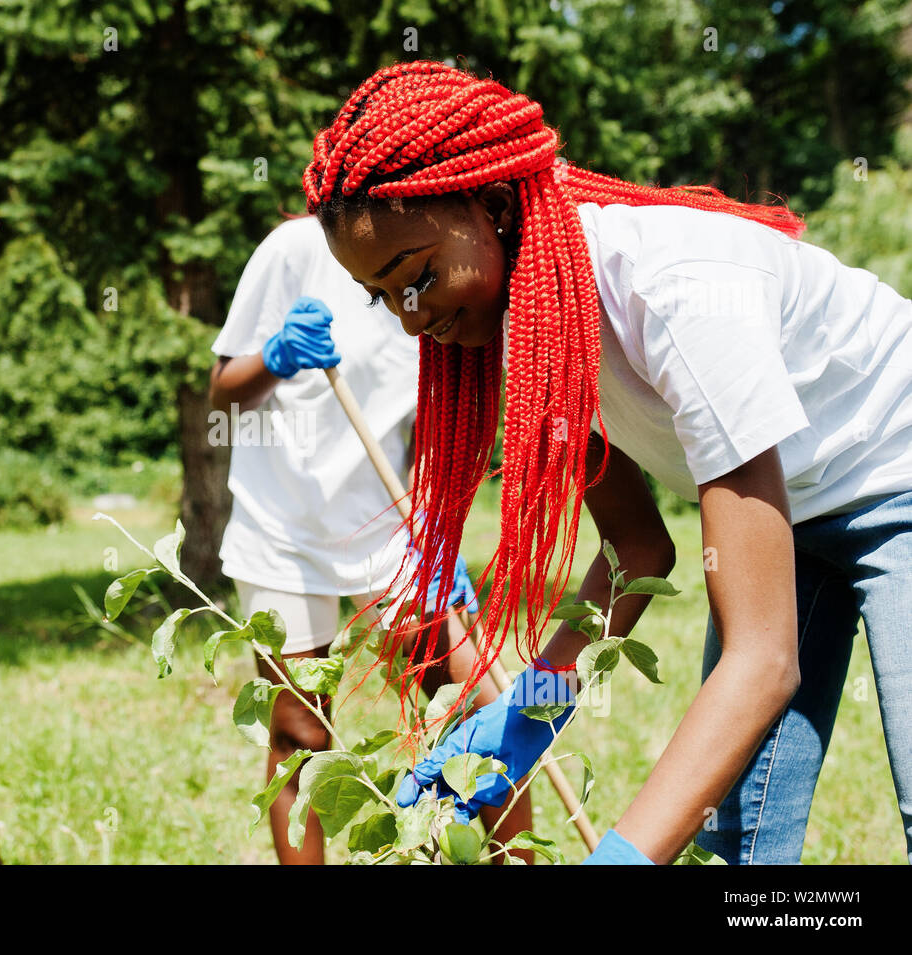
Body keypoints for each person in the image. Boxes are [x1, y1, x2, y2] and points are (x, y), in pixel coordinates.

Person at [302, 60, 912, 864]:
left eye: (418, 277)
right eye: (384, 296)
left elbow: (763, 659)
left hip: (895, 481)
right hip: (795, 510)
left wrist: (621, 856)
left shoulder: (678, 294)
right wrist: (530, 712)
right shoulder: (542, 324)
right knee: (740, 849)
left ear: (489, 204)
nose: (412, 323)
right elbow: (636, 549)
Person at [208, 213, 533, 864]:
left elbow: (441, 420)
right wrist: (274, 357)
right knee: (300, 729)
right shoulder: (294, 249)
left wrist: (437, 535)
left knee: (486, 709)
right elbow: (224, 394)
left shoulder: (447, 271)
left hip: (392, 525)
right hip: (285, 527)